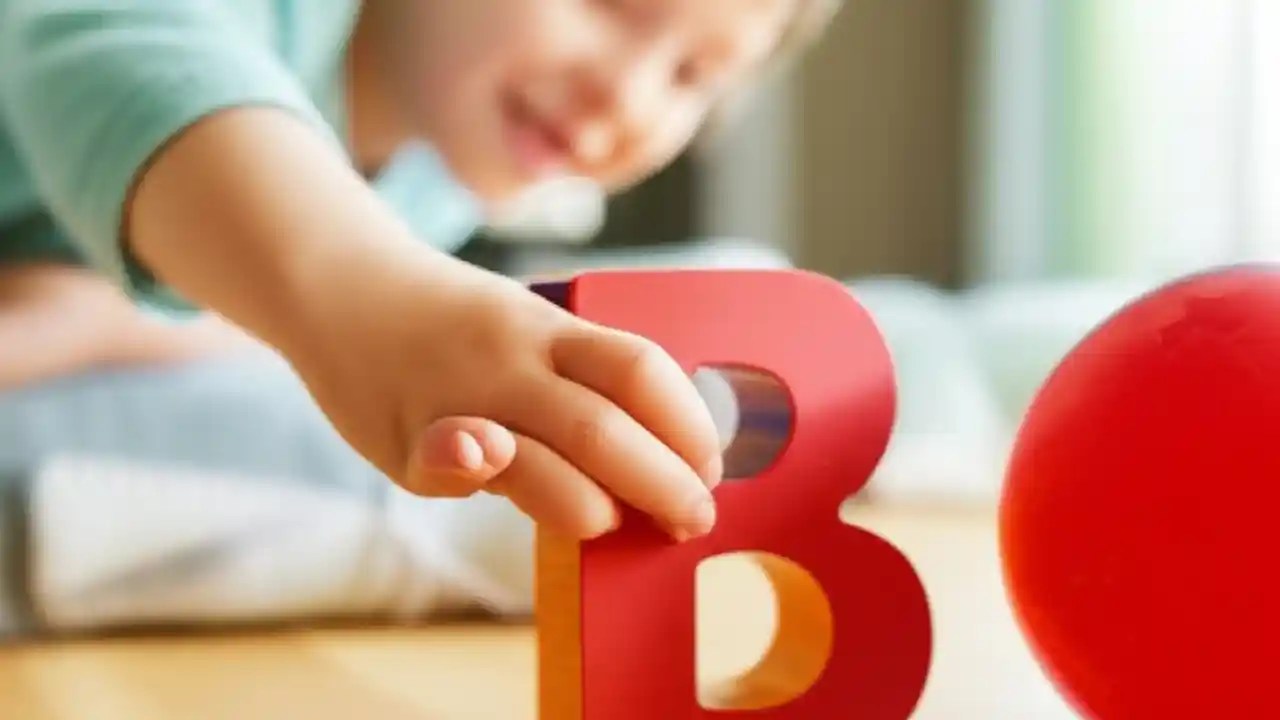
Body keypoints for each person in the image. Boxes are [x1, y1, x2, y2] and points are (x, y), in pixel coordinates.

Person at [0, 0, 841, 627]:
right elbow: (124, 36)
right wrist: (367, 292)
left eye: (693, 76)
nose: (627, 97)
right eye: (607, 1)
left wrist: (96, 323)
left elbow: (227, 307)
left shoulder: (431, 185)